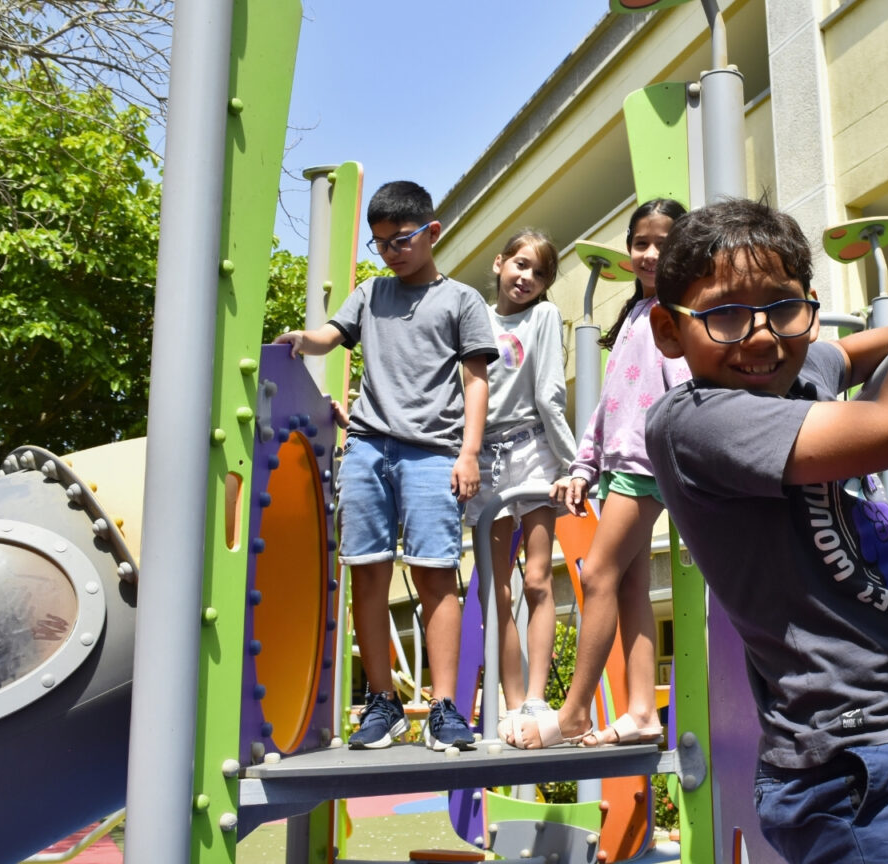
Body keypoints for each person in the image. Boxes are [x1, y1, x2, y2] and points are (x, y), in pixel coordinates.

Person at [643, 198, 888, 864]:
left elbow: (843, 353)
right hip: (854, 765)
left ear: (808, 303)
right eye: (723, 316)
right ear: (668, 331)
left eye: (782, 309)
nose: (760, 338)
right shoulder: (698, 423)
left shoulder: (795, 374)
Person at [276, 180, 495, 751]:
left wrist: (469, 451)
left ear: (431, 232)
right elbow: (331, 334)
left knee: (435, 576)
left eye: (402, 239)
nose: (393, 252)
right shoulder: (371, 294)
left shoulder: (461, 300)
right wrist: (304, 339)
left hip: (434, 451)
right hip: (369, 446)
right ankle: (383, 703)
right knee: (367, 571)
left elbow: (477, 380)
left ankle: (445, 709)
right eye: (381, 244)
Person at [504, 197, 689, 749]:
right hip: (621, 466)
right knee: (630, 583)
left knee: (597, 574)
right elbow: (611, 406)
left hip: (650, 465)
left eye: (665, 243)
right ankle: (640, 711)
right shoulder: (634, 315)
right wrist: (584, 465)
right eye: (641, 243)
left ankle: (575, 710)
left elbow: (687, 397)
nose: (652, 254)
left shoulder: (683, 315)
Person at [460, 230, 579, 737]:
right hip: (484, 455)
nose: (527, 277)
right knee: (494, 588)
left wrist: (574, 465)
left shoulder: (544, 317)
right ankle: (510, 701)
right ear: (499, 261)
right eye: (520, 264)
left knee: (535, 579)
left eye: (539, 272)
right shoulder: (475, 319)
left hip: (532, 448)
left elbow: (550, 393)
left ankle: (535, 699)